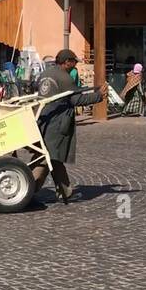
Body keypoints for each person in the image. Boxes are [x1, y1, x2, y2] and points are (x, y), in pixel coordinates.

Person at [31, 50, 106, 203]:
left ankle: (65, 191)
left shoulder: (46, 73)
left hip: (43, 119)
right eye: (74, 62)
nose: (75, 65)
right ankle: (29, 188)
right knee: (47, 156)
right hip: (57, 122)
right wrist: (99, 96)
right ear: (67, 62)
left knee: (53, 156)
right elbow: (76, 99)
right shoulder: (64, 77)